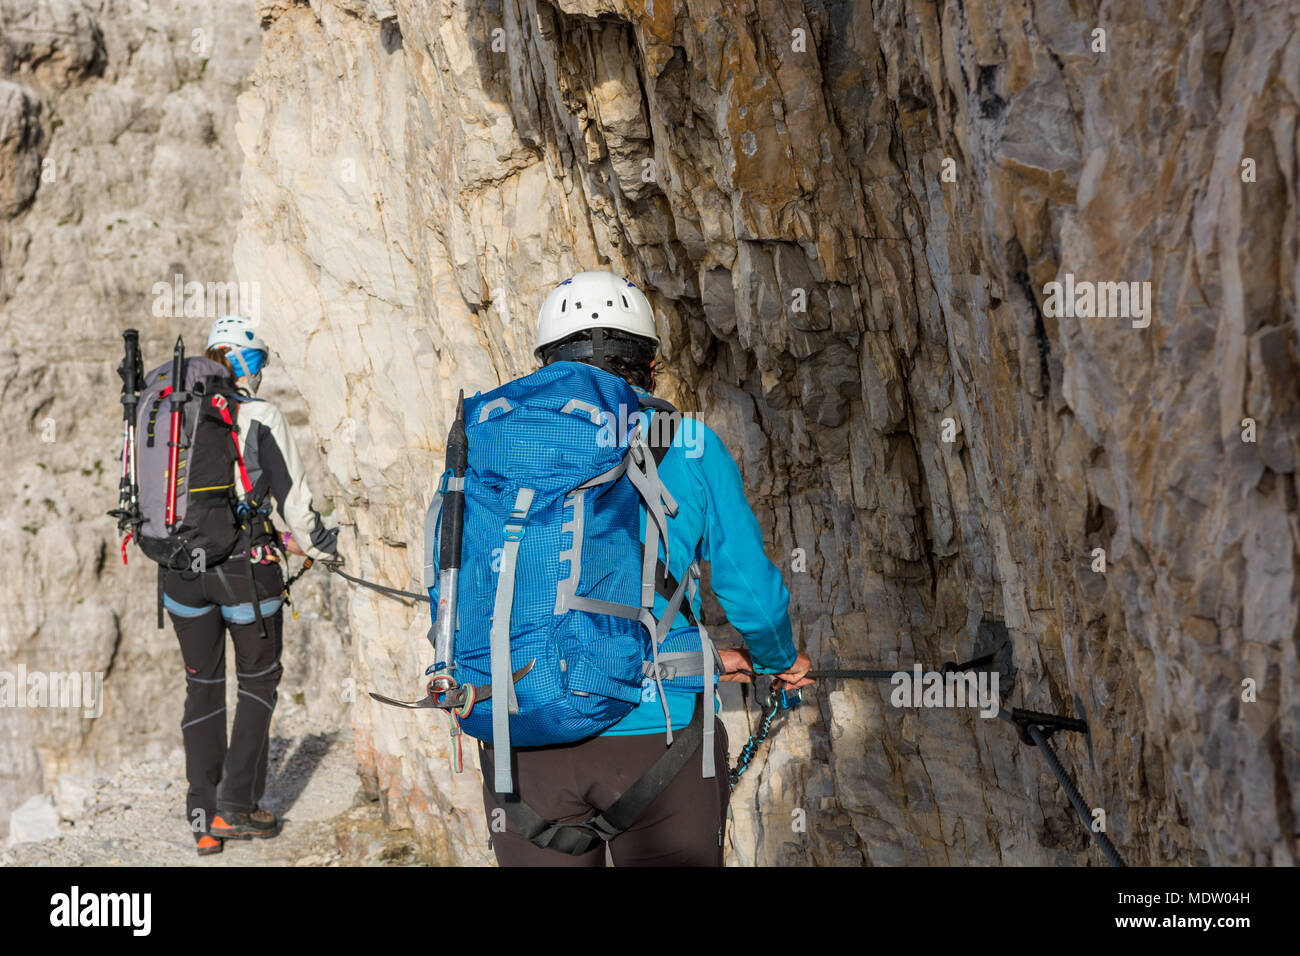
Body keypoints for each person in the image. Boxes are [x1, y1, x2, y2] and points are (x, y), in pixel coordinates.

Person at [477, 271, 813, 866]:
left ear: (547, 364)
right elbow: (750, 593)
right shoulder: (686, 443)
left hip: (521, 735)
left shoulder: (490, 446)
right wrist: (778, 659)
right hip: (660, 732)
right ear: (650, 366)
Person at [162, 314, 340, 855]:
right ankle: (236, 807)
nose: (260, 373)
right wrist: (320, 546)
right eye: (257, 361)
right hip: (245, 569)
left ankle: (203, 815)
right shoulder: (259, 414)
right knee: (258, 682)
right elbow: (292, 500)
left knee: (203, 685)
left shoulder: (172, 413)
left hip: (179, 573)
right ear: (240, 362)